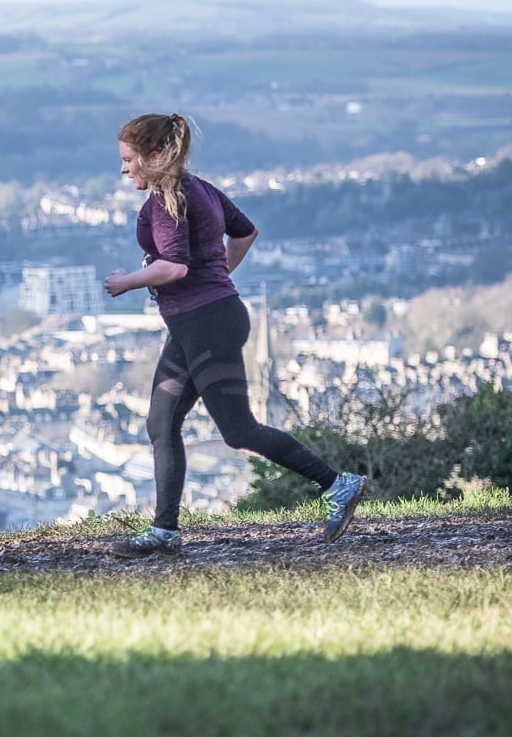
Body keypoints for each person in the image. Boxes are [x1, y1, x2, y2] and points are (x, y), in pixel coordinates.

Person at [102, 112, 367, 557]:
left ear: (153, 156)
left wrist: (127, 280)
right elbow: (245, 233)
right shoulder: (200, 188)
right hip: (204, 320)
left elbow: (176, 265)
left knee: (239, 431)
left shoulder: (165, 203)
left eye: (129, 159)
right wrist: (217, 276)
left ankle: (338, 484)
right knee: (161, 423)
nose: (124, 168)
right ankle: (164, 532)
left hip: (206, 324)